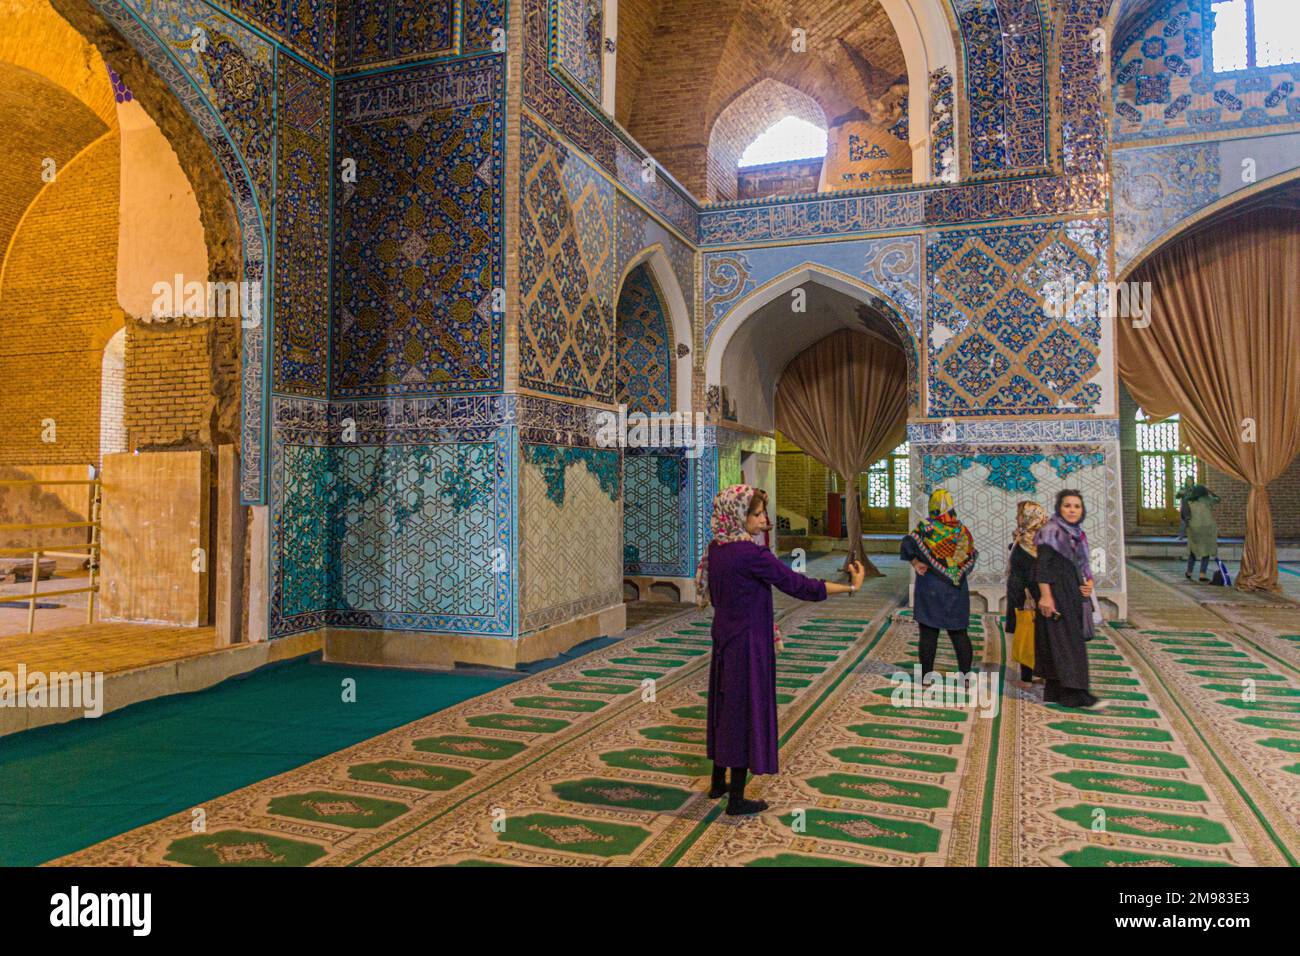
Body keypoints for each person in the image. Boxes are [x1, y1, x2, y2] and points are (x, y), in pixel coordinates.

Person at [695, 484, 865, 815]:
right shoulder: (750, 555)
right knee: (744, 711)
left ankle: (719, 782)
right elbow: (798, 585)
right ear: (739, 516)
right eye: (757, 515)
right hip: (748, 642)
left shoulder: (717, 548)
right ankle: (736, 799)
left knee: (725, 705)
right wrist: (850, 587)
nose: (765, 521)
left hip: (725, 637)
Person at [1034, 489, 1102, 709]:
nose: (1072, 510)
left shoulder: (1077, 534)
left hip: (1071, 592)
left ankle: (1056, 691)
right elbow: (1042, 567)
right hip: (1055, 593)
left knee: (1061, 641)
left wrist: (1088, 583)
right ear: (1059, 508)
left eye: (1077, 506)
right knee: (1068, 643)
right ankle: (1076, 694)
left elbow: (1082, 565)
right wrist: (1046, 596)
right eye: (1067, 506)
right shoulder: (1050, 531)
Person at [899, 489, 977, 680]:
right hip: (956, 590)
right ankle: (966, 677)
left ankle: (926, 677)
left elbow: (907, 546)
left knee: (928, 634)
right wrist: (953, 572)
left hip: (930, 587)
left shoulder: (926, 529)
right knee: (959, 634)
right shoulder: (961, 531)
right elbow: (970, 557)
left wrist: (916, 563)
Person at [1005, 500, 1048, 685]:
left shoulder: (1032, 544)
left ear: (1030, 517)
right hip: (1027, 599)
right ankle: (1031, 674)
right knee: (1031, 637)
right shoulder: (1025, 538)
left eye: (1020, 515)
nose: (1017, 518)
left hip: (1031, 600)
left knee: (1033, 636)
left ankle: (1034, 674)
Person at [1180, 484, 1221, 582]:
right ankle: (1202, 575)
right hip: (1208, 527)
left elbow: (1183, 514)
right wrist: (1210, 491)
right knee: (1206, 551)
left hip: (1194, 527)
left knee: (1193, 550)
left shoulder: (1188, 501)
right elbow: (1218, 499)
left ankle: (1189, 572)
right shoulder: (1208, 500)